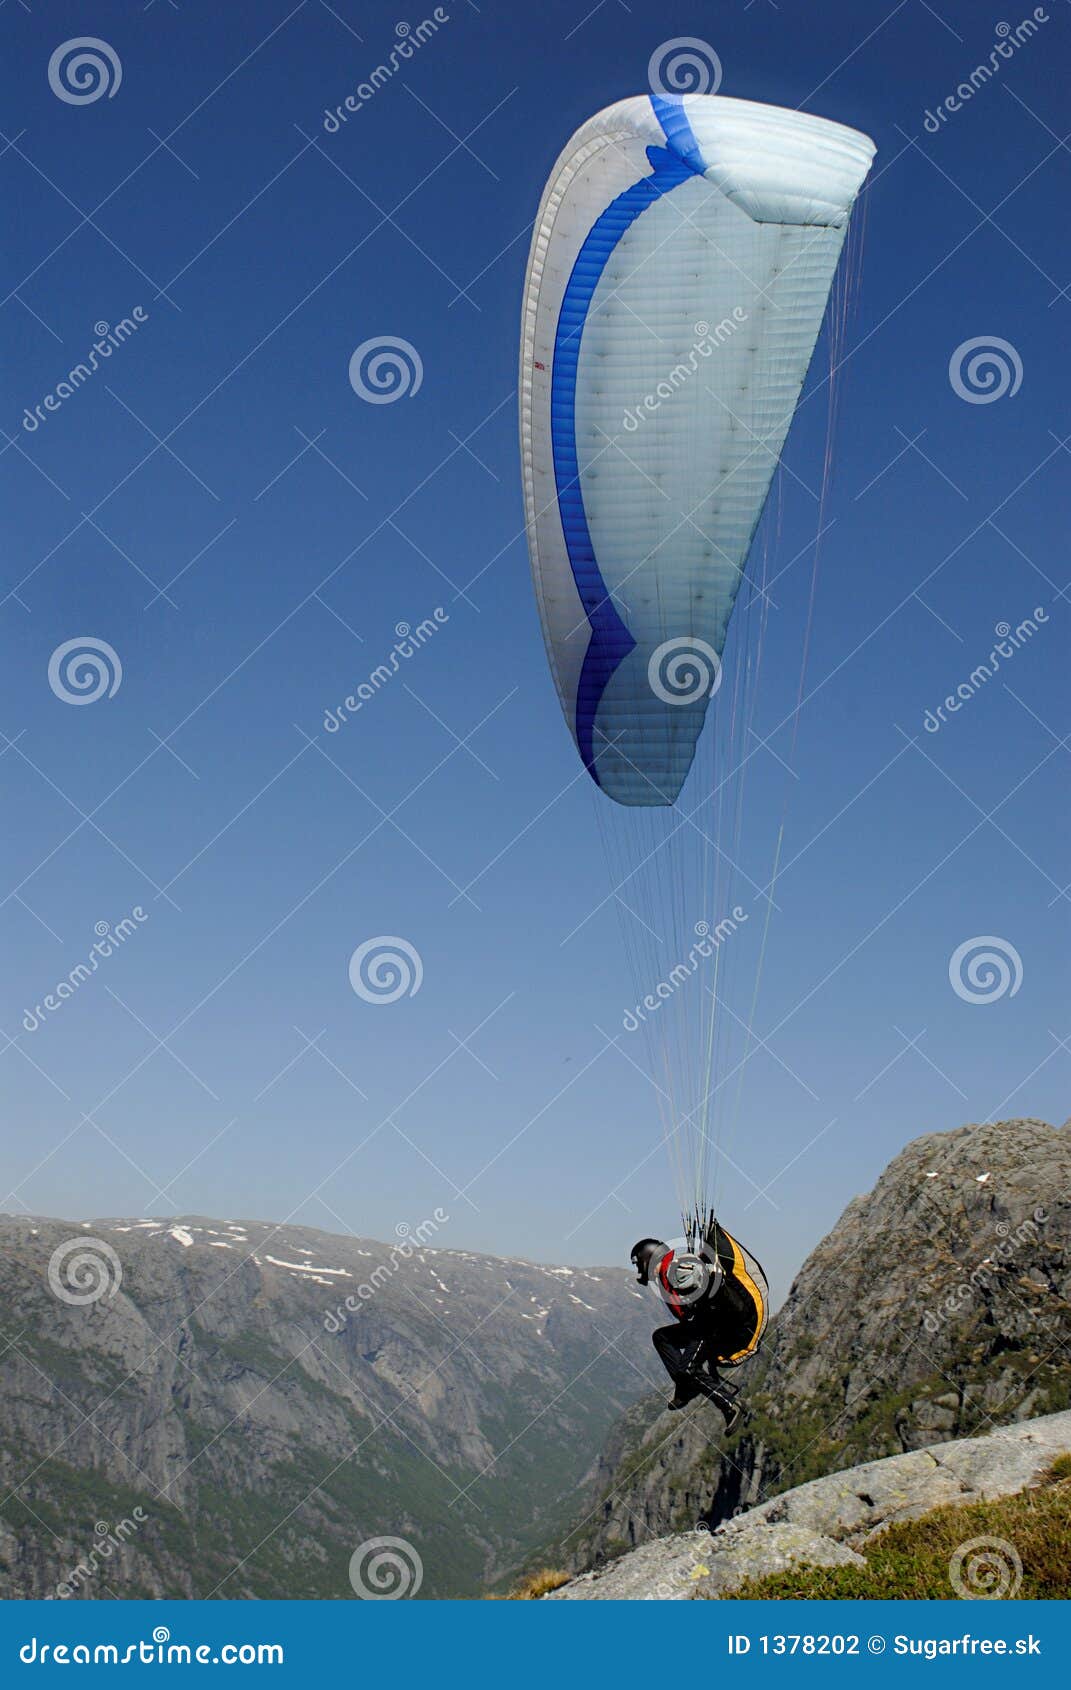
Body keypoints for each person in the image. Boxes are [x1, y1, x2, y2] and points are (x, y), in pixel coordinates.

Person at [630, 1223, 768, 1431]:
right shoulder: (668, 1273)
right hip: (703, 1324)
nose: (639, 1270)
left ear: (647, 1259)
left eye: (638, 1264)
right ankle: (685, 1388)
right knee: (662, 1337)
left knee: (688, 1368)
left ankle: (730, 1406)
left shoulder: (675, 1270)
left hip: (713, 1326)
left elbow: (703, 1287)